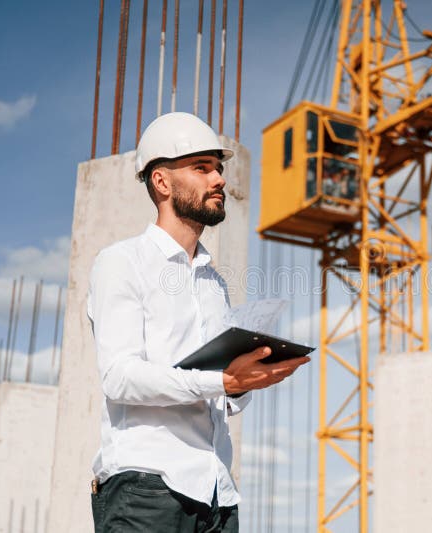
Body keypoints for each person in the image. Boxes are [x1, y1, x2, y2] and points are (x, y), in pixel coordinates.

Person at [88, 112, 310, 533]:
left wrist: (247, 381)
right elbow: (119, 378)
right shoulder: (121, 263)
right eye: (202, 168)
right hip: (146, 489)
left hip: (217, 495)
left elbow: (221, 397)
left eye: (219, 169)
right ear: (162, 182)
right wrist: (223, 381)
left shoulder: (214, 283)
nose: (219, 180)